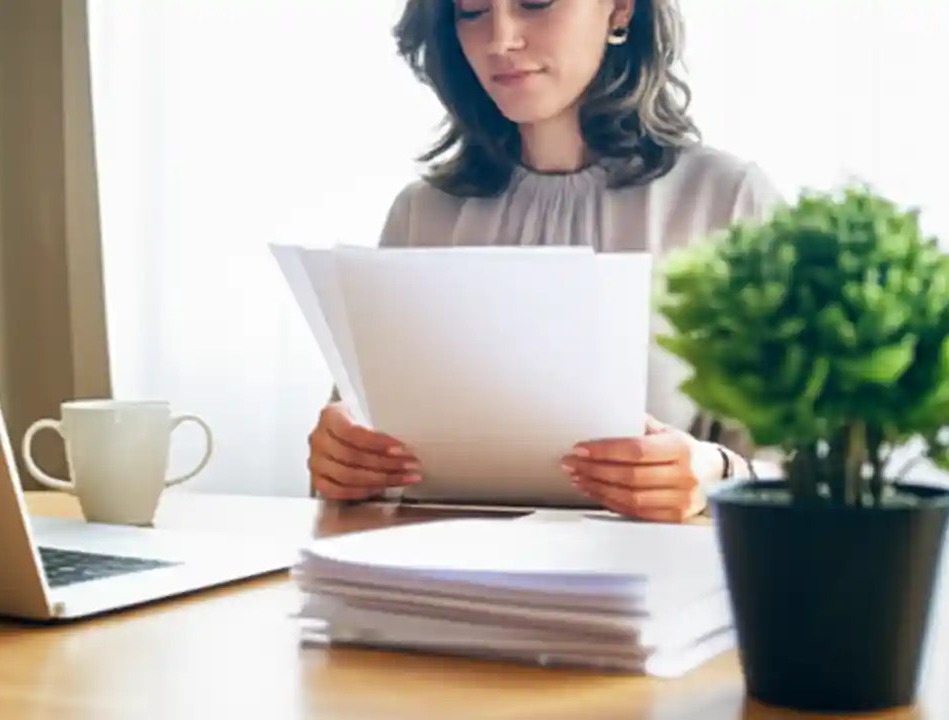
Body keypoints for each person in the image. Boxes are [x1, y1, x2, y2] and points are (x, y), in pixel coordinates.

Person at [306, 0, 783, 522]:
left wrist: (717, 473)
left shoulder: (726, 201)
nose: (500, 38)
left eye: (535, 3)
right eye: (471, 11)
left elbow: (814, 473)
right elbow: (351, 462)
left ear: (620, 9)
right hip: (441, 585)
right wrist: (341, 462)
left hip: (652, 586)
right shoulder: (422, 214)